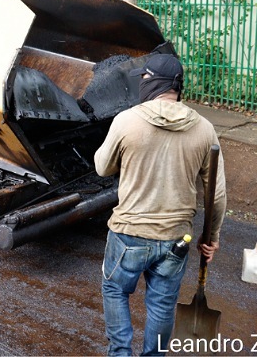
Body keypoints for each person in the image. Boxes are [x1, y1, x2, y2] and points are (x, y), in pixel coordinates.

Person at [94, 54, 226, 356]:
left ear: (151, 82)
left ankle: (120, 353)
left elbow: (102, 167)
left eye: (143, 78)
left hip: (128, 234)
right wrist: (211, 236)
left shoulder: (126, 121)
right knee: (162, 304)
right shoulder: (205, 129)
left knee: (115, 290)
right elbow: (216, 194)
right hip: (176, 239)